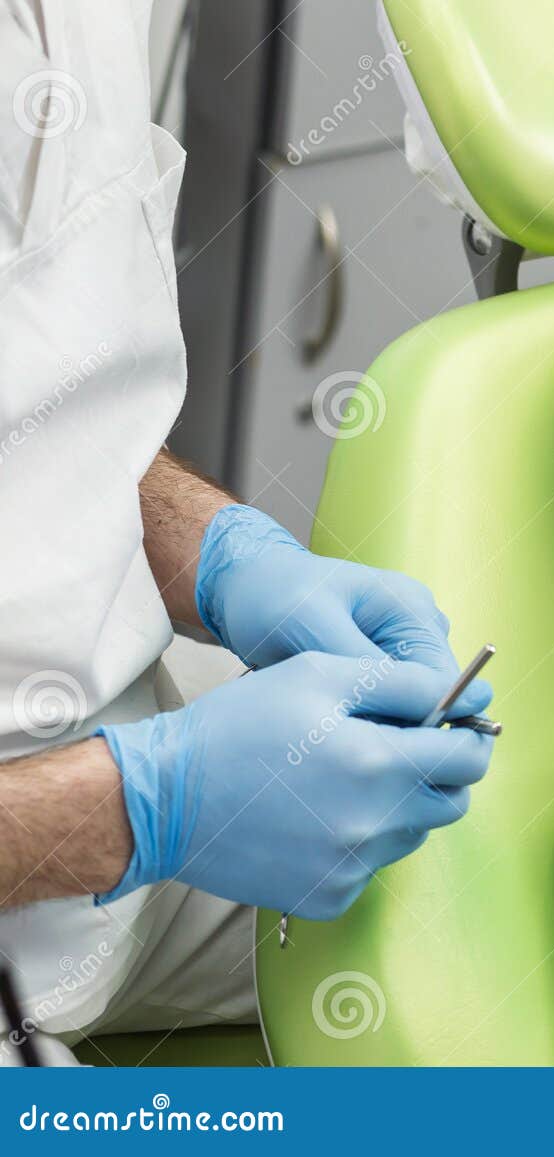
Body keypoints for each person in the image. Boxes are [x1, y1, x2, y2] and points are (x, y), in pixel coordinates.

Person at [0, 1, 492, 1063]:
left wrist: (227, 552)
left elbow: (45, 407)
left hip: (120, 834)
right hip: (64, 832)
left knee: (513, 934)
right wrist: (142, 805)